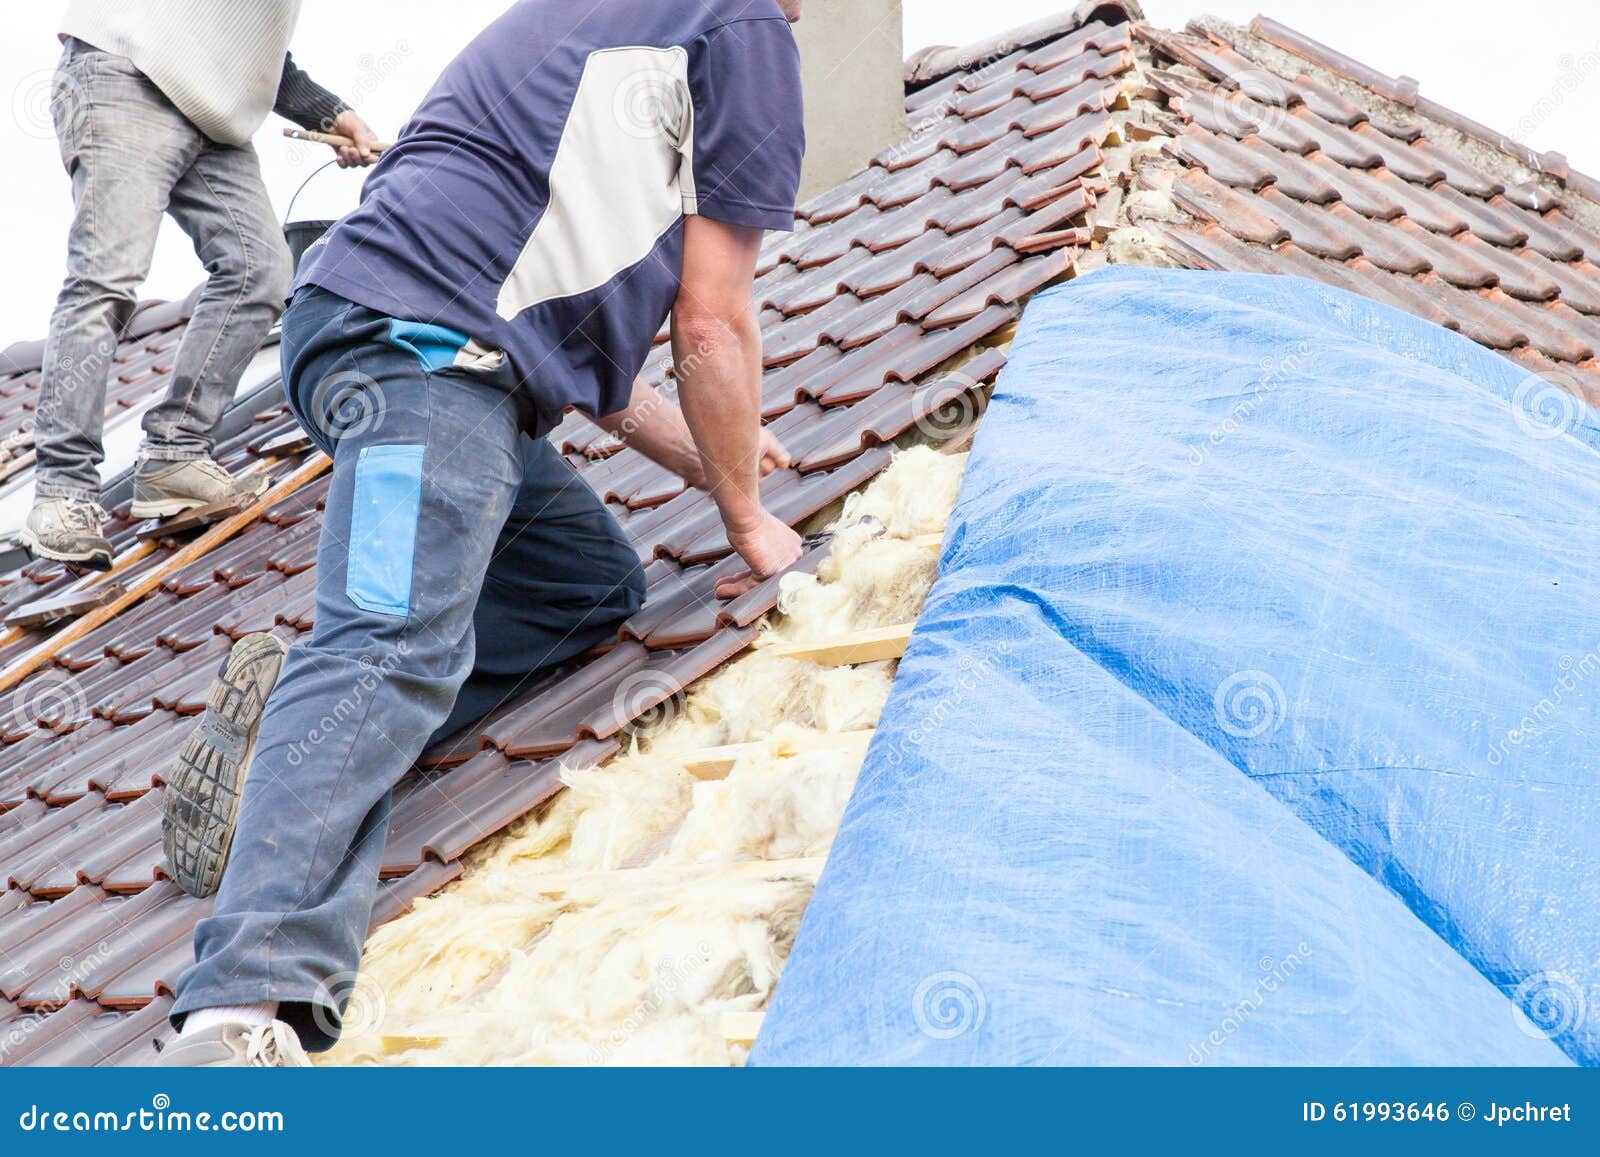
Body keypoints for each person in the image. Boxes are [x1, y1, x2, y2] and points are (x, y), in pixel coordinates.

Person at [156, 0, 807, 1067]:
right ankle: (239, 1005)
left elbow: (590, 375)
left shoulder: (598, 26)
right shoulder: (741, 28)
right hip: (416, 363)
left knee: (582, 582)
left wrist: (713, 457)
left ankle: (292, 738)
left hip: (401, 353)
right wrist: (746, 517)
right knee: (386, 641)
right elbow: (711, 318)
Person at [20, 0, 382, 571]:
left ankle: (174, 452)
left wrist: (332, 115)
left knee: (260, 270)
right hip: (125, 73)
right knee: (106, 281)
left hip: (209, 109)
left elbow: (246, 47)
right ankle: (63, 492)